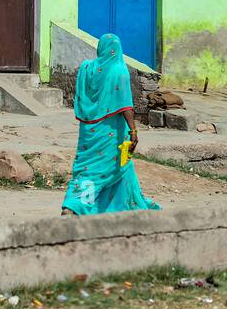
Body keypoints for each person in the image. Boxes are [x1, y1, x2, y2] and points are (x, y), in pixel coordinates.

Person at [61, 33, 160, 216]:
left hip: (89, 132)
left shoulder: (87, 69)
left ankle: (123, 206)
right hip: (111, 132)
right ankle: (75, 205)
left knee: (105, 167)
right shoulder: (118, 70)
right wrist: (134, 130)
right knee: (98, 171)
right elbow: (125, 106)